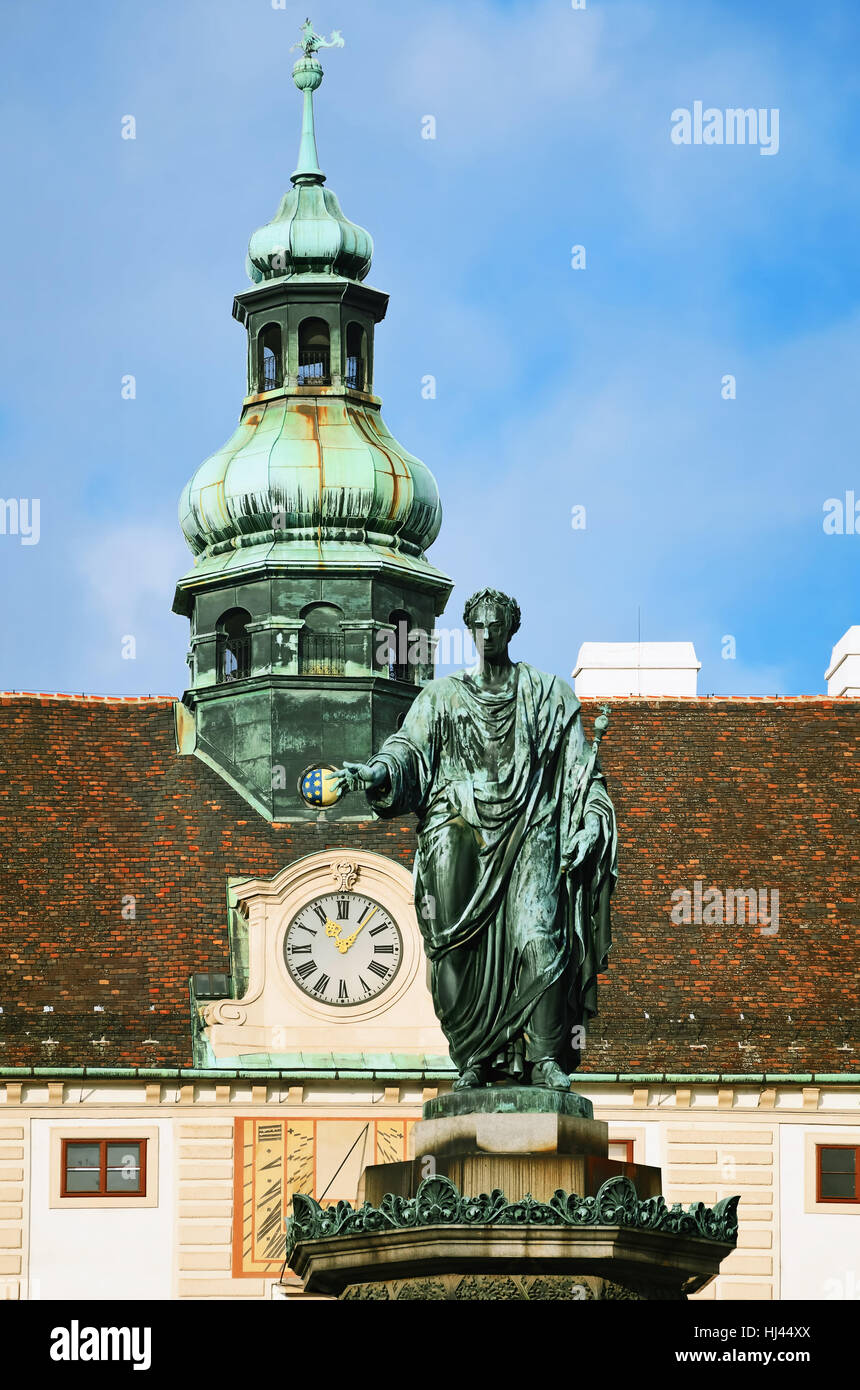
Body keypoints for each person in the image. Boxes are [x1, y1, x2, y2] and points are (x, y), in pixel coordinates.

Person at [333, 588, 617, 1091]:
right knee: (453, 947)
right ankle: (474, 1057)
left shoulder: (550, 696)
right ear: (470, 631)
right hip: (458, 828)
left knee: (539, 937)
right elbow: (406, 754)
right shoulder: (440, 698)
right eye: (479, 627)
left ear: (511, 629)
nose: (488, 635)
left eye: (497, 625)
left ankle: (546, 1056)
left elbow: (582, 776)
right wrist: (374, 773)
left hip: (533, 829)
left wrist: (592, 821)